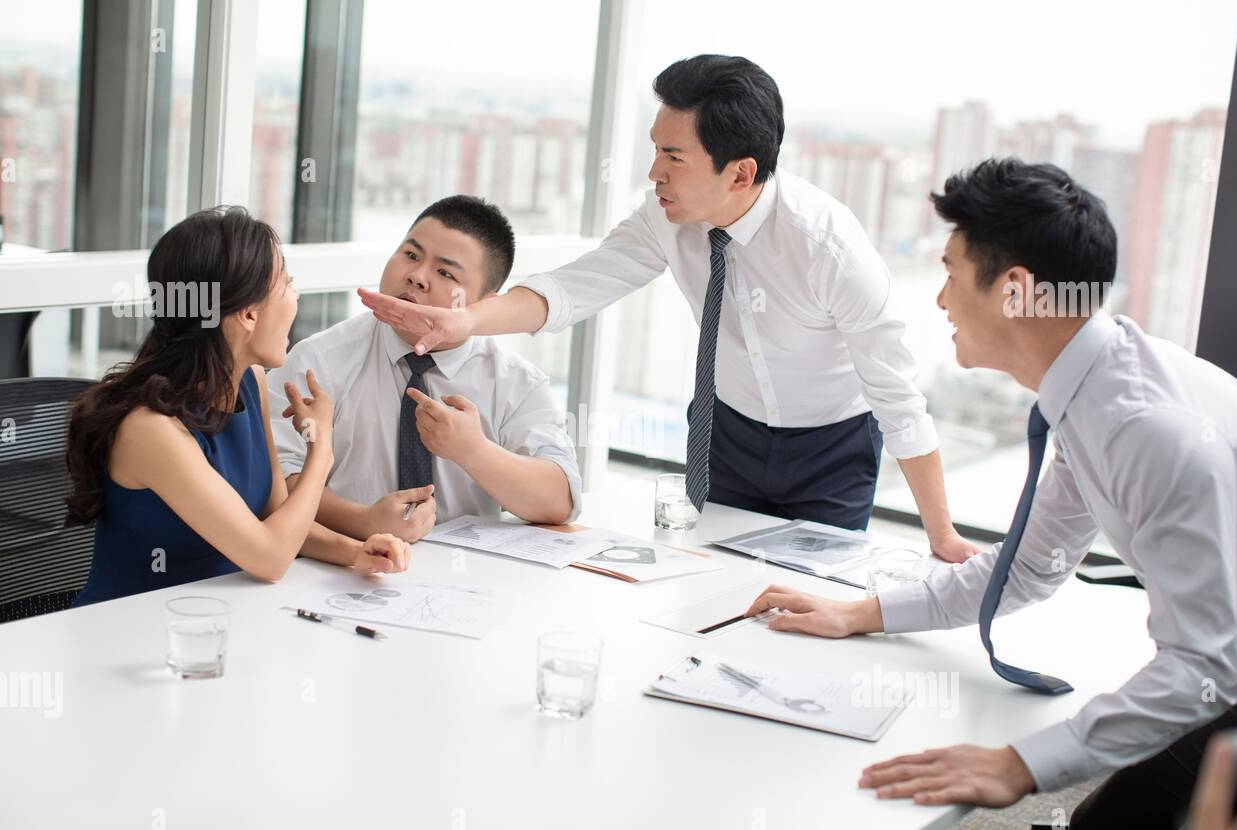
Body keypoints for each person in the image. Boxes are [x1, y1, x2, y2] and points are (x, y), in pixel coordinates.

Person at [743, 158, 1237, 830]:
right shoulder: (1096, 391)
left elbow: (1201, 662)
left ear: (1015, 290)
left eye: (952, 272)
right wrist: (862, 614)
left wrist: (1019, 764)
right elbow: (1028, 569)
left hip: (1233, 676)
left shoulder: (1147, 428)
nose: (942, 300)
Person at [355, 55, 976, 562]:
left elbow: (898, 399)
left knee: (813, 601)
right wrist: (468, 320)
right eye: (655, 150)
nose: (654, 173)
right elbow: (576, 287)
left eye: (673, 158)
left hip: (831, 448)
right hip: (725, 431)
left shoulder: (829, 248)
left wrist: (941, 534)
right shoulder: (666, 218)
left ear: (740, 173)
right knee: (712, 584)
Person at [67, 206, 409, 606]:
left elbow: (277, 517)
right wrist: (322, 448)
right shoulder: (152, 430)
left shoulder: (251, 382)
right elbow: (270, 557)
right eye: (288, 283)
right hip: (132, 633)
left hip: (221, 616)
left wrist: (355, 551)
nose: (296, 296)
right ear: (248, 313)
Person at [267, 195, 581, 535]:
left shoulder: (515, 382)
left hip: (468, 579)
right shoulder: (320, 360)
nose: (417, 276)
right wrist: (363, 522)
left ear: (485, 306)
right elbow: (276, 480)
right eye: (411, 255)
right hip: (339, 569)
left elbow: (560, 501)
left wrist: (473, 451)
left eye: (445, 272)